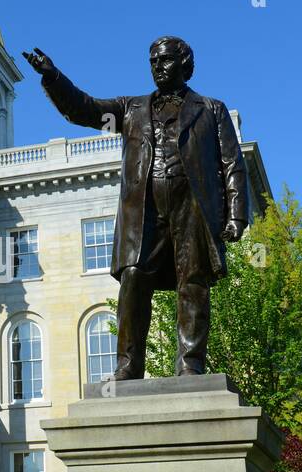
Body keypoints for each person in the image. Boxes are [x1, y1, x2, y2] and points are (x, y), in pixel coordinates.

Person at [23, 37, 249, 376]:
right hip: (143, 208)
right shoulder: (131, 109)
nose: (157, 66)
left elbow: (232, 164)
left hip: (193, 206)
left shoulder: (211, 109)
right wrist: (53, 78)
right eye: (153, 61)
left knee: (193, 282)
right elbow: (84, 109)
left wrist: (236, 215)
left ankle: (190, 365)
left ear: (185, 64)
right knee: (133, 278)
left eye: (165, 60)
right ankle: (128, 366)